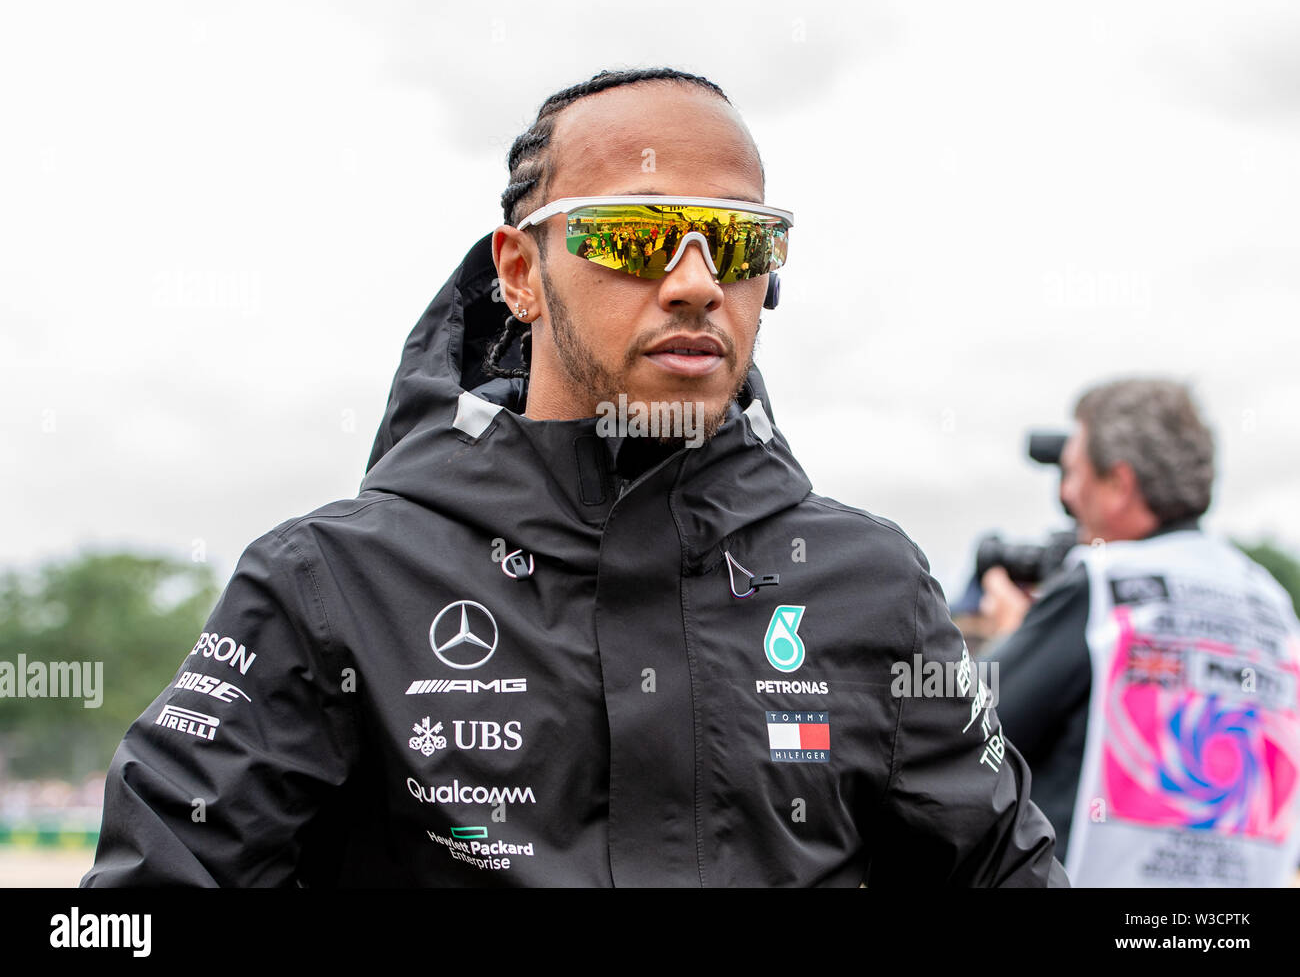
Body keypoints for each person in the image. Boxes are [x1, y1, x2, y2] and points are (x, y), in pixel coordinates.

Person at [83, 66, 1065, 888]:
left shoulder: (873, 582)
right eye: (634, 234)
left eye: (737, 241)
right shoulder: (327, 582)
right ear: (518, 271)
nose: (693, 280)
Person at [980, 379, 1300, 886]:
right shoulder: (1274, 605)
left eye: (1075, 474)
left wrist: (1014, 636)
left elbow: (973, 727)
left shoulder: (1104, 585)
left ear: (1120, 485)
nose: (1066, 493)